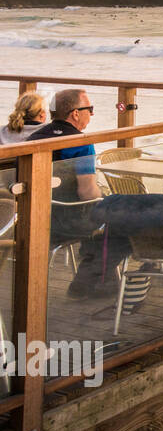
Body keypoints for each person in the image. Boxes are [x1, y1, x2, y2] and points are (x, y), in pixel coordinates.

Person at [27, 89, 108, 297]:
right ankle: (87, 285)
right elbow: (88, 193)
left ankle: (99, 282)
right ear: (75, 113)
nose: (91, 114)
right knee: (115, 218)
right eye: (90, 109)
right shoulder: (81, 143)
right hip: (68, 221)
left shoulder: (33, 139)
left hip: (33, 218)